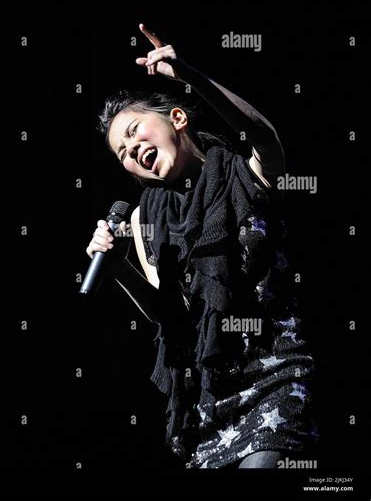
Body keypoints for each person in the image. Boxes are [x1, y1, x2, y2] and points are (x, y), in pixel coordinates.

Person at [86, 23, 318, 469]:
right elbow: (169, 314)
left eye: (134, 132)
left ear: (177, 118)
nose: (131, 149)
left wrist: (191, 77)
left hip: (276, 377)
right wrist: (118, 268)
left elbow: (264, 136)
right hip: (209, 400)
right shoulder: (143, 220)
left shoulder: (246, 175)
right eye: (122, 153)